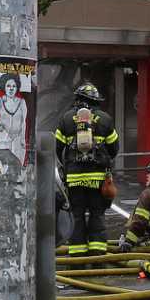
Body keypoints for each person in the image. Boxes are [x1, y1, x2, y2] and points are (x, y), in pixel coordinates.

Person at [53, 84, 119, 256]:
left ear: (77, 99)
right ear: (95, 101)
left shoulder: (66, 119)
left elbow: (57, 147)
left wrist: (67, 166)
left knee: (77, 214)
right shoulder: (105, 119)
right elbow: (114, 149)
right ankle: (97, 251)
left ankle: (77, 252)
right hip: (97, 178)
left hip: (74, 178)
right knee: (97, 213)